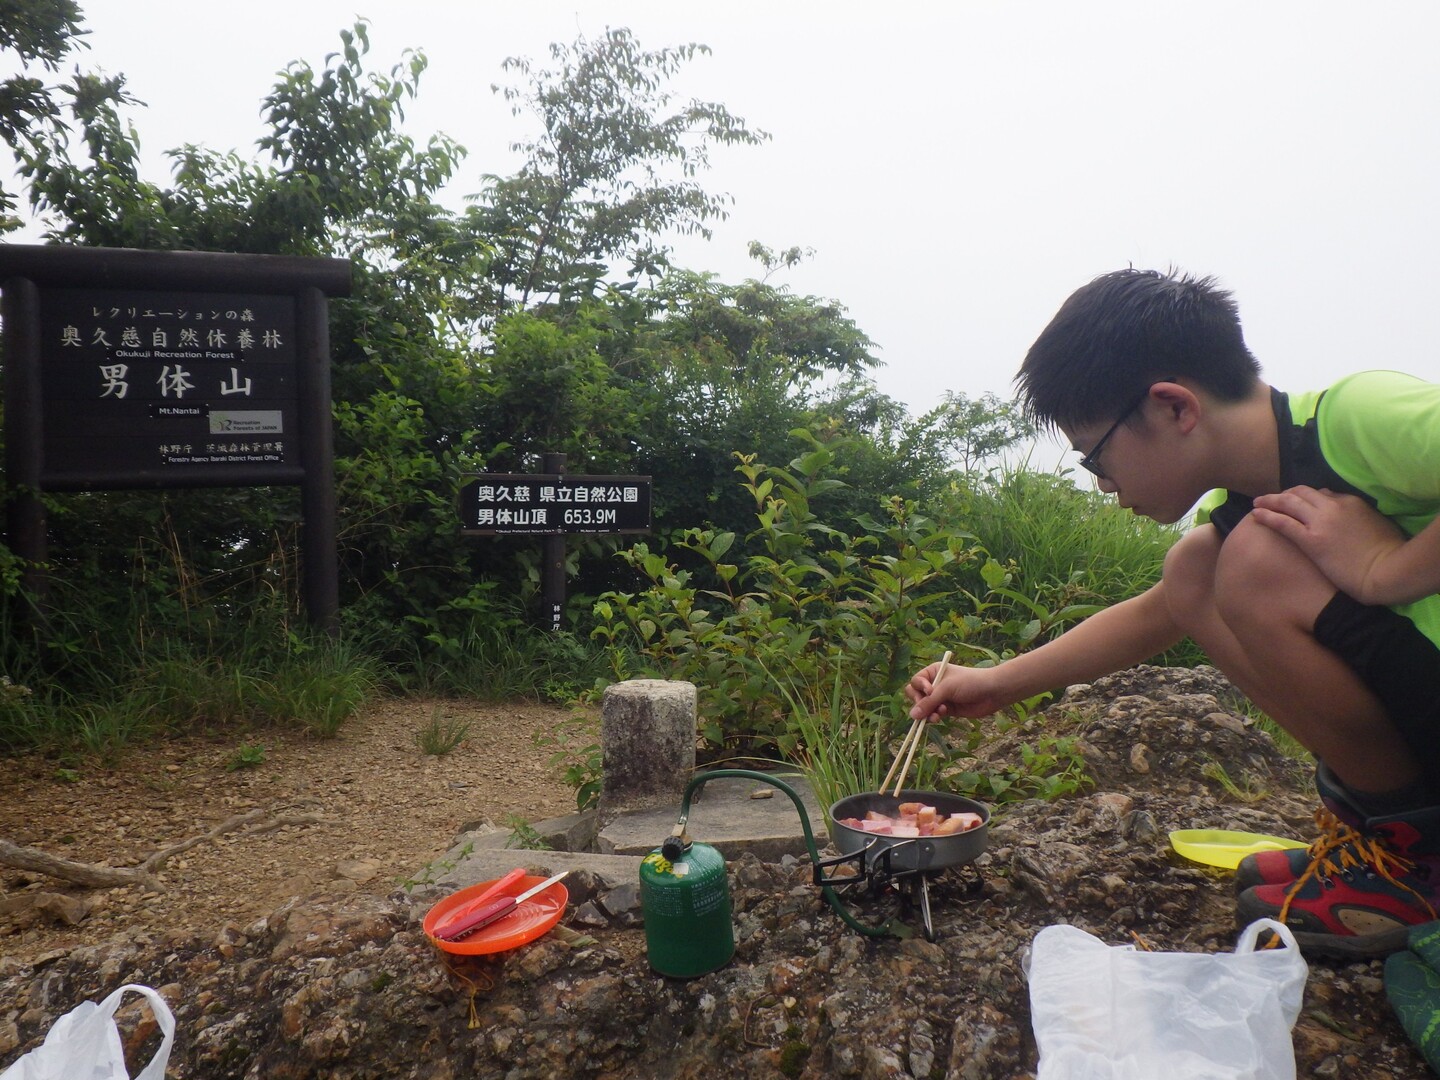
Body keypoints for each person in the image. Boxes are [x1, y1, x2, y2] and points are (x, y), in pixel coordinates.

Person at [904, 267, 1440, 960]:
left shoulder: (1358, 416)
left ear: (1174, 408)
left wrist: (1386, 571)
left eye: (1096, 454)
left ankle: (1419, 861)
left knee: (1251, 560)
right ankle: (1387, 835)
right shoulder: (1245, 500)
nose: (1103, 483)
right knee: (1195, 568)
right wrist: (998, 682)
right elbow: (1160, 613)